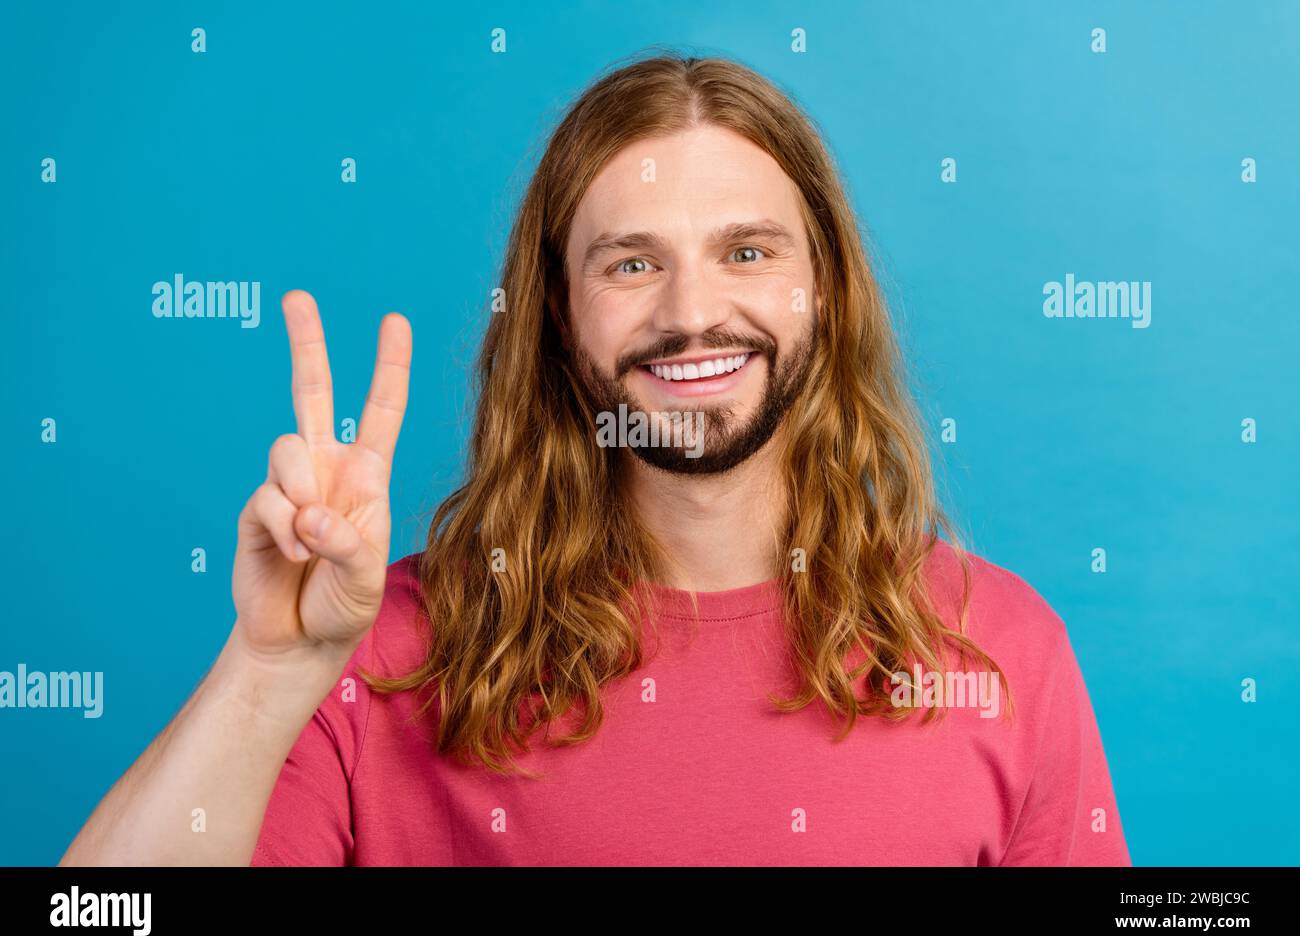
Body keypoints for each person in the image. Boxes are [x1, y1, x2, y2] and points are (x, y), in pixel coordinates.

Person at [60, 52, 1130, 867]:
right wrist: (267, 672)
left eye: (746, 252)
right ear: (559, 318)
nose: (693, 313)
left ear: (828, 293)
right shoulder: (379, 651)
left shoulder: (998, 652)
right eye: (631, 263)